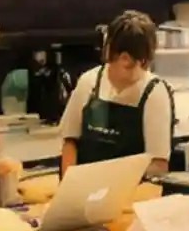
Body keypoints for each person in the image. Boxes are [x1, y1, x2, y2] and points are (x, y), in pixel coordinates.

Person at [59, 10, 175, 177]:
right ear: (117, 56)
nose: (138, 72)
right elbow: (70, 141)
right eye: (130, 64)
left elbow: (158, 164)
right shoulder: (89, 82)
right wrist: (69, 184)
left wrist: (118, 182)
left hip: (131, 194)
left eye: (144, 64)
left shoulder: (155, 93)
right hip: (84, 189)